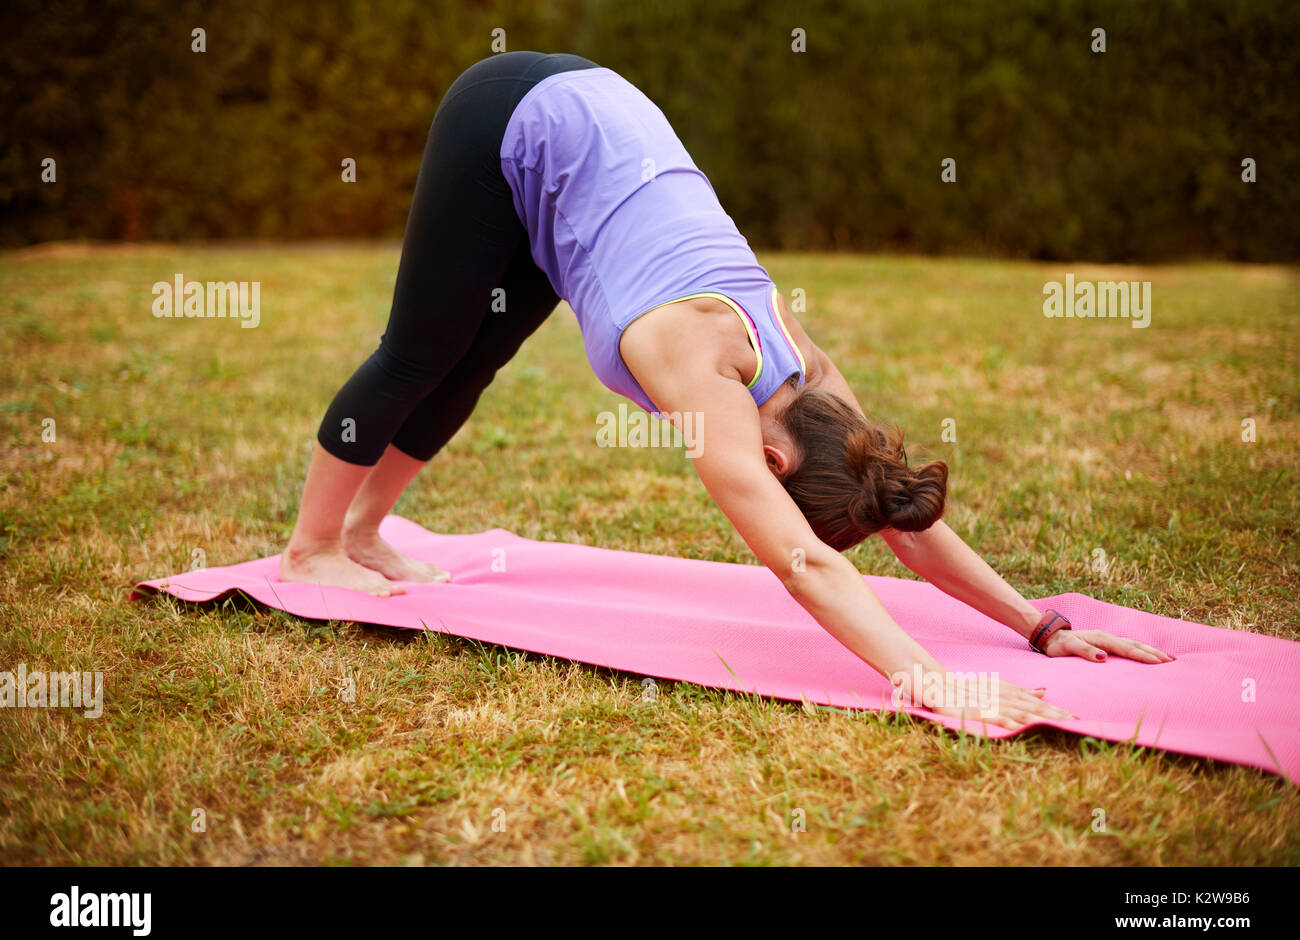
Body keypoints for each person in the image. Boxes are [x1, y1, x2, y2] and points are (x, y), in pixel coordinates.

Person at [280, 51, 1173, 729]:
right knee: (421, 349)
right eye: (773, 483)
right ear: (773, 457)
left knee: (470, 362)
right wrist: (926, 675)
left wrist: (1039, 624)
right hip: (514, 113)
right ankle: (311, 548)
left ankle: (365, 533)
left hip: (587, 156)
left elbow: (901, 510)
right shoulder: (707, 375)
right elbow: (803, 560)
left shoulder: (814, 384)